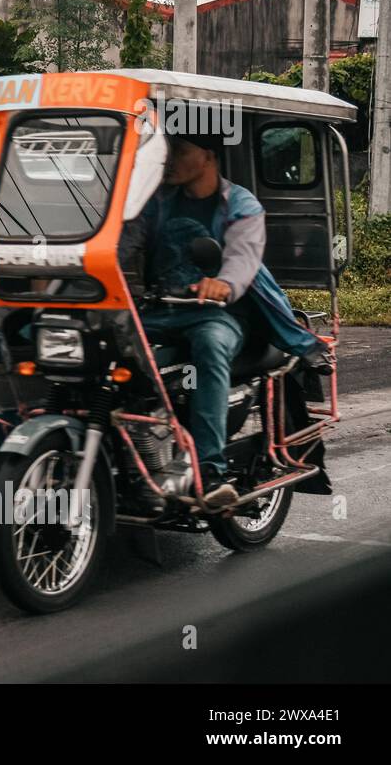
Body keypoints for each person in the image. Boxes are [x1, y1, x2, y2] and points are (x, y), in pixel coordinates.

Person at [128, 134, 331, 508]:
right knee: (107, 345)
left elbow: (243, 255)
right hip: (162, 310)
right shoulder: (155, 202)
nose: (169, 159)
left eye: (180, 151)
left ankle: (210, 472)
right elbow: (124, 242)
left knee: (210, 346)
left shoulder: (240, 203)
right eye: (166, 151)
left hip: (218, 315)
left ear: (208, 155)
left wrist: (222, 283)